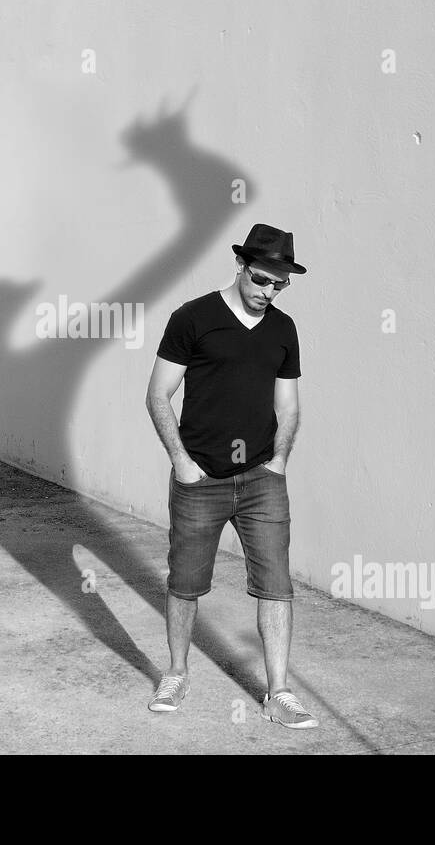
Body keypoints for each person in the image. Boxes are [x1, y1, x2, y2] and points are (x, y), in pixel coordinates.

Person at [144, 222, 317, 729]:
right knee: (185, 581)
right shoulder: (193, 318)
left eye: (280, 284)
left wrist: (279, 461)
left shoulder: (284, 330)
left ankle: (279, 692)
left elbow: (289, 406)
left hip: (262, 480)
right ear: (241, 266)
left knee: (277, 585)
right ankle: (176, 672)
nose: (269, 292)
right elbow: (158, 394)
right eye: (262, 279)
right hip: (201, 477)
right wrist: (181, 462)